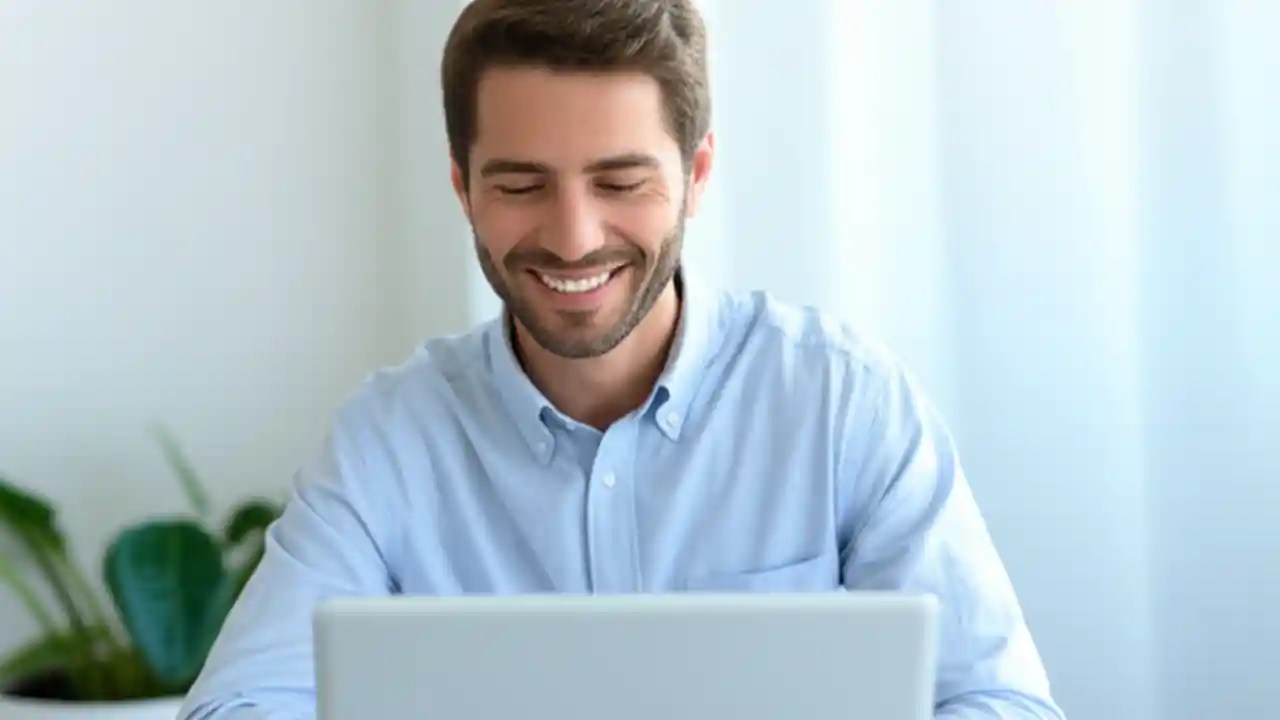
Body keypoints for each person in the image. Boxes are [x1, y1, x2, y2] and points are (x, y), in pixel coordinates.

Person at [179, 1, 1065, 718]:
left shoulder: (840, 402)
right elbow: (238, 707)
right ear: (463, 187)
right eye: (520, 185)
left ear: (698, 173)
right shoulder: (391, 441)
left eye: (621, 182)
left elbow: (1000, 701)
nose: (573, 238)